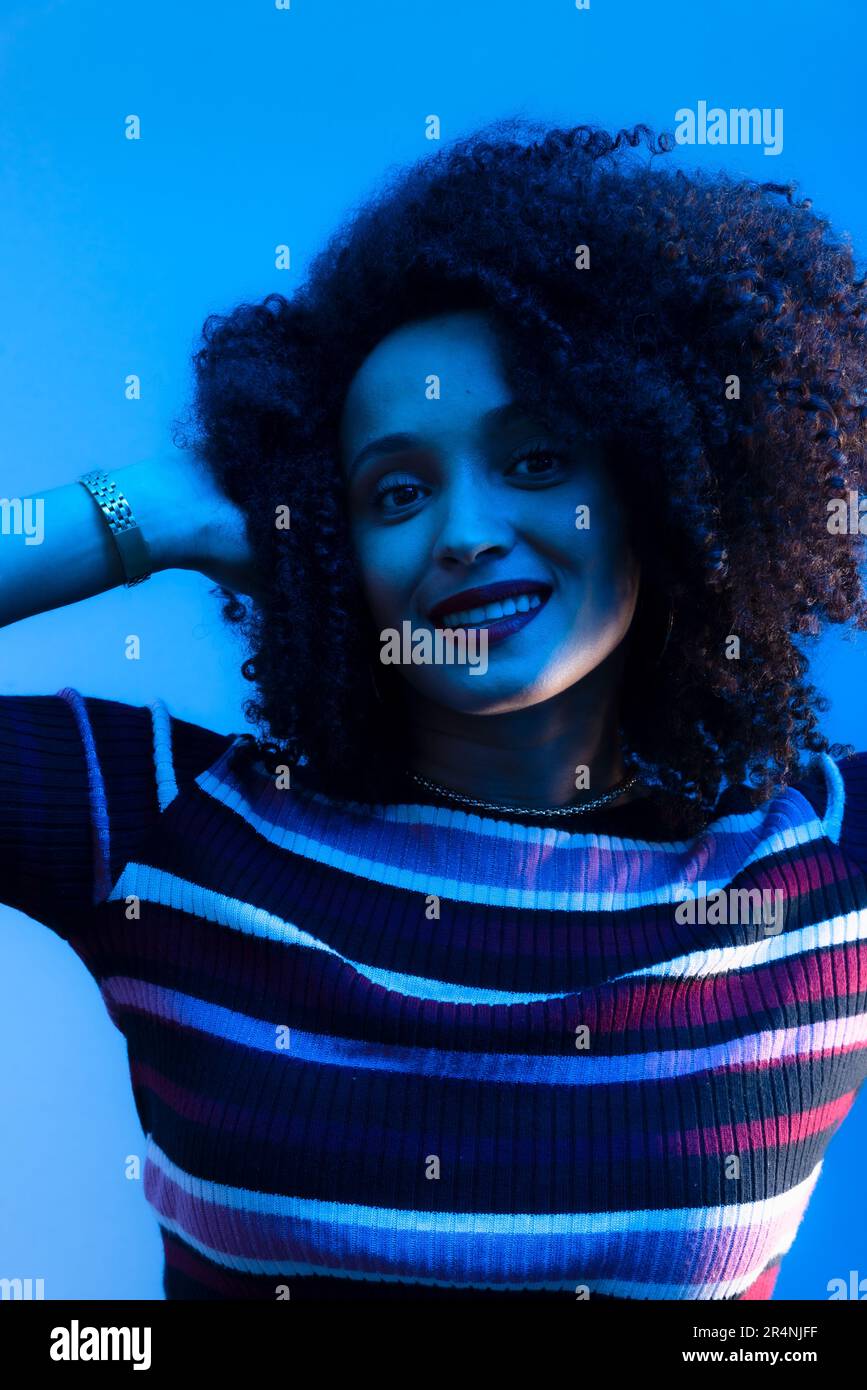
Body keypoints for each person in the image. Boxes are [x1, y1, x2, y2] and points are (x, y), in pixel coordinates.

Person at [2, 121, 867, 1301]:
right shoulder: (163, 824)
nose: (463, 530)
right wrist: (147, 516)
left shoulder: (820, 861)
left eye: (535, 460)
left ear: (660, 482)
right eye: (396, 489)